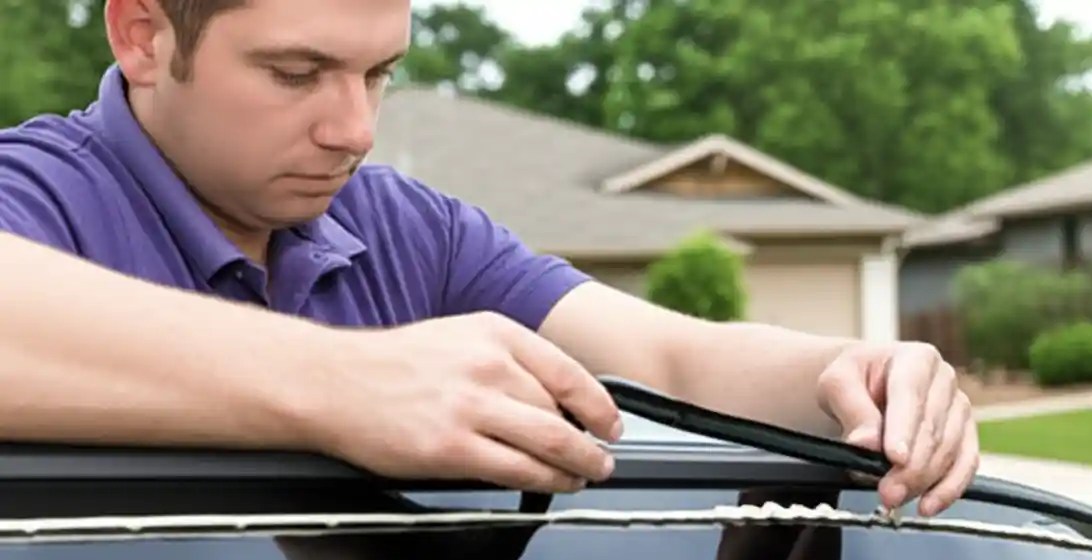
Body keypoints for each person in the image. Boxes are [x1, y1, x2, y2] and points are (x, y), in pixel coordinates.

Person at [0, 0, 978, 517]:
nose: (354, 129)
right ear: (142, 34)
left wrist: (846, 377)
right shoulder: (40, 197)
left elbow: (672, 363)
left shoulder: (411, 235)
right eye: (295, 73)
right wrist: (344, 386)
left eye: (378, 73)